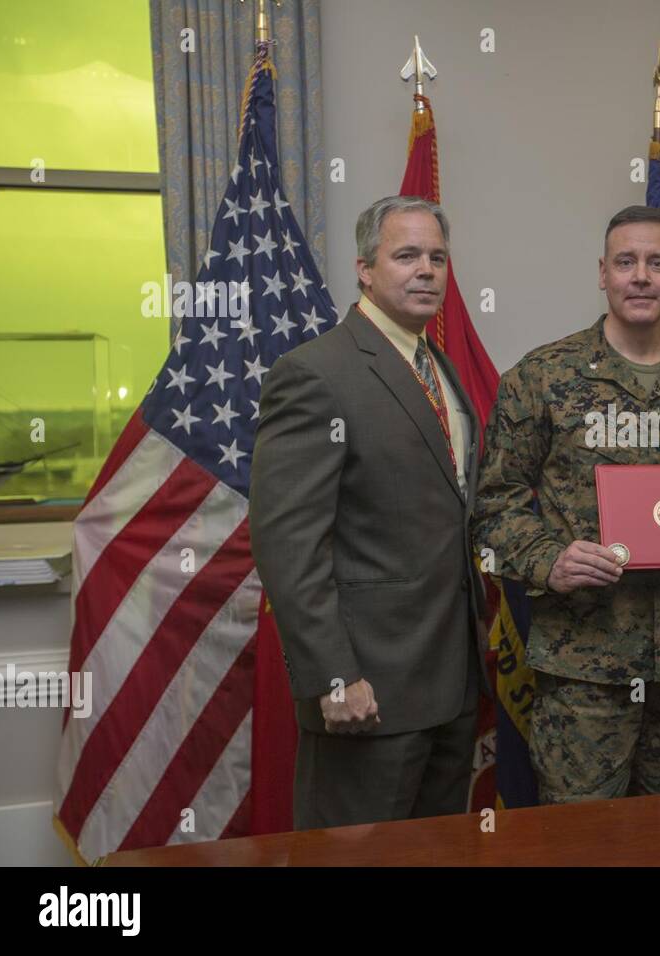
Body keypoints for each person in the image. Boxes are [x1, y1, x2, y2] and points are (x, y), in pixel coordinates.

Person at [472, 205, 660, 803]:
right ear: (602, 273)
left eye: (657, 263)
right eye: (626, 262)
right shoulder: (542, 379)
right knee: (582, 846)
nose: (641, 276)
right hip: (584, 674)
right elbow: (491, 509)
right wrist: (551, 560)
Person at [250, 195, 484, 828]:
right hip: (366, 691)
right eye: (406, 255)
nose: (427, 270)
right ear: (364, 268)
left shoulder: (437, 369)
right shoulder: (316, 373)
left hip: (452, 685)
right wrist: (333, 676)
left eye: (437, 257)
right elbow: (287, 545)